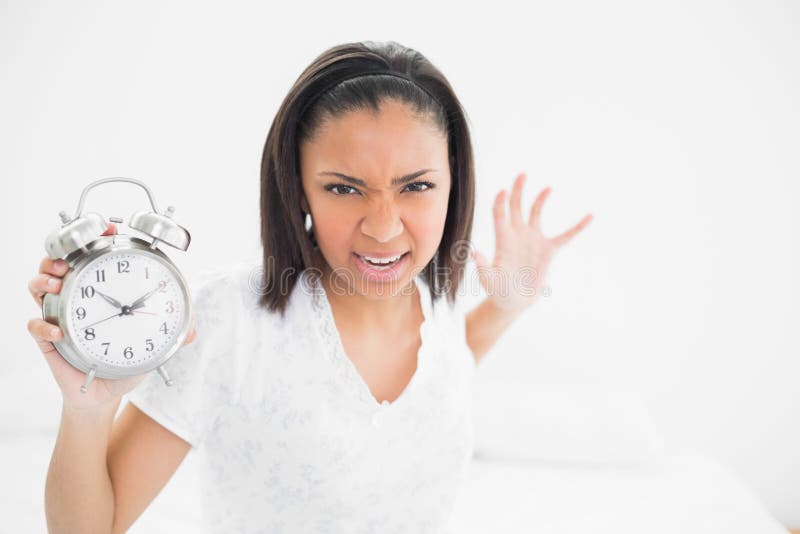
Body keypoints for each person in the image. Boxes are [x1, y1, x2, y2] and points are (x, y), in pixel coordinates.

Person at [27, 40, 592, 533]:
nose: (384, 226)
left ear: (453, 183)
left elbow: (450, 362)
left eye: (416, 186)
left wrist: (510, 302)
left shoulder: (435, 301)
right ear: (298, 190)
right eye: (345, 189)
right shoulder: (227, 318)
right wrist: (86, 410)